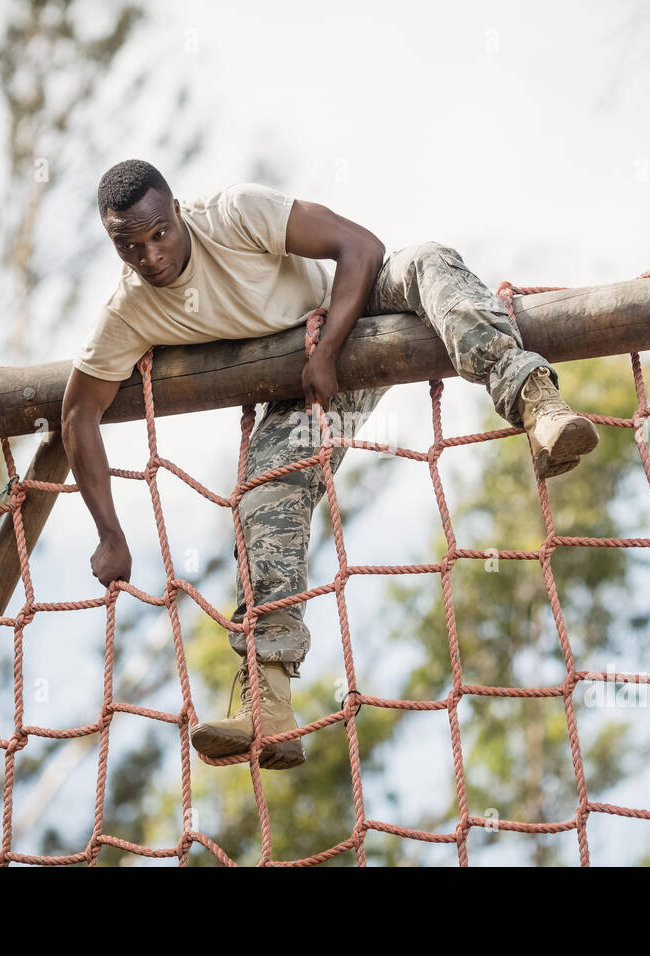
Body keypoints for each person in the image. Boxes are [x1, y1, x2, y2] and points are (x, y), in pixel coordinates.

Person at [61, 159, 599, 770]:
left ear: (178, 212)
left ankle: (540, 406)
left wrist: (330, 347)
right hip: (312, 382)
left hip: (360, 301)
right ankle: (270, 705)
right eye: (131, 246)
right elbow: (79, 411)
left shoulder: (236, 213)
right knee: (262, 493)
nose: (150, 255)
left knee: (427, 258)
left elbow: (360, 246)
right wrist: (108, 532)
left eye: (159, 234)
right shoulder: (129, 309)